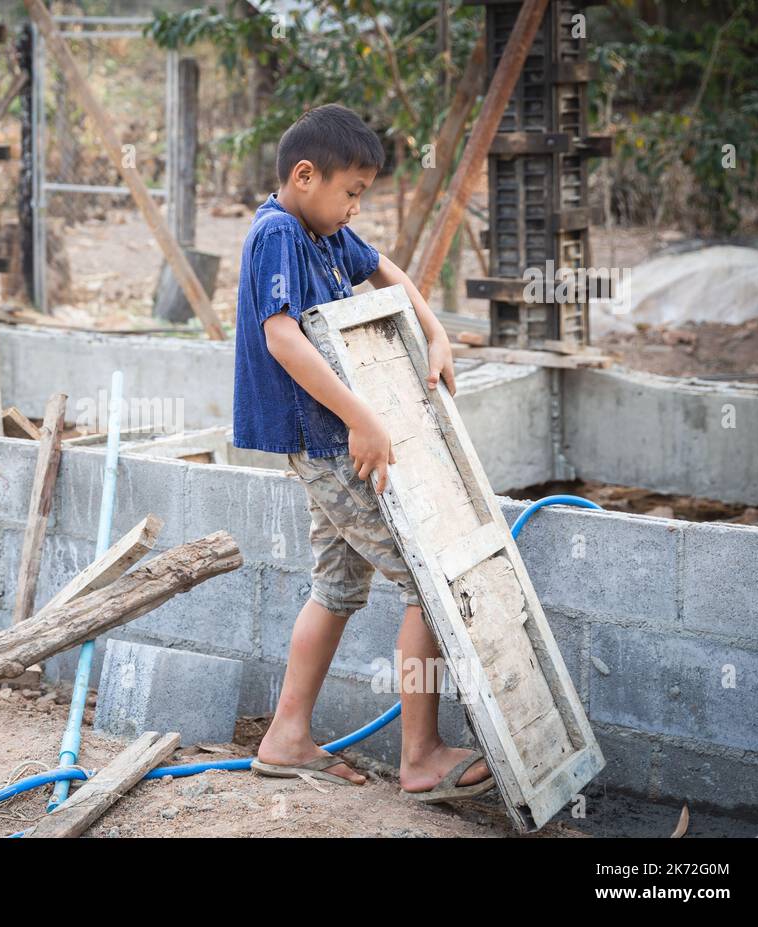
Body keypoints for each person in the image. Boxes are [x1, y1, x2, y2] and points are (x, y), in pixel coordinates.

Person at [232, 104, 495, 801]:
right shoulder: (279, 233)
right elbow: (281, 337)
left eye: (362, 197)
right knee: (426, 580)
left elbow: (387, 271)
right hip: (325, 440)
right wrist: (363, 418)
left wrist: (433, 331)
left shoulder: (324, 233)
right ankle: (422, 754)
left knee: (337, 586)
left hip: (332, 439)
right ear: (305, 175)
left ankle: (287, 735)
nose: (354, 209)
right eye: (351, 193)